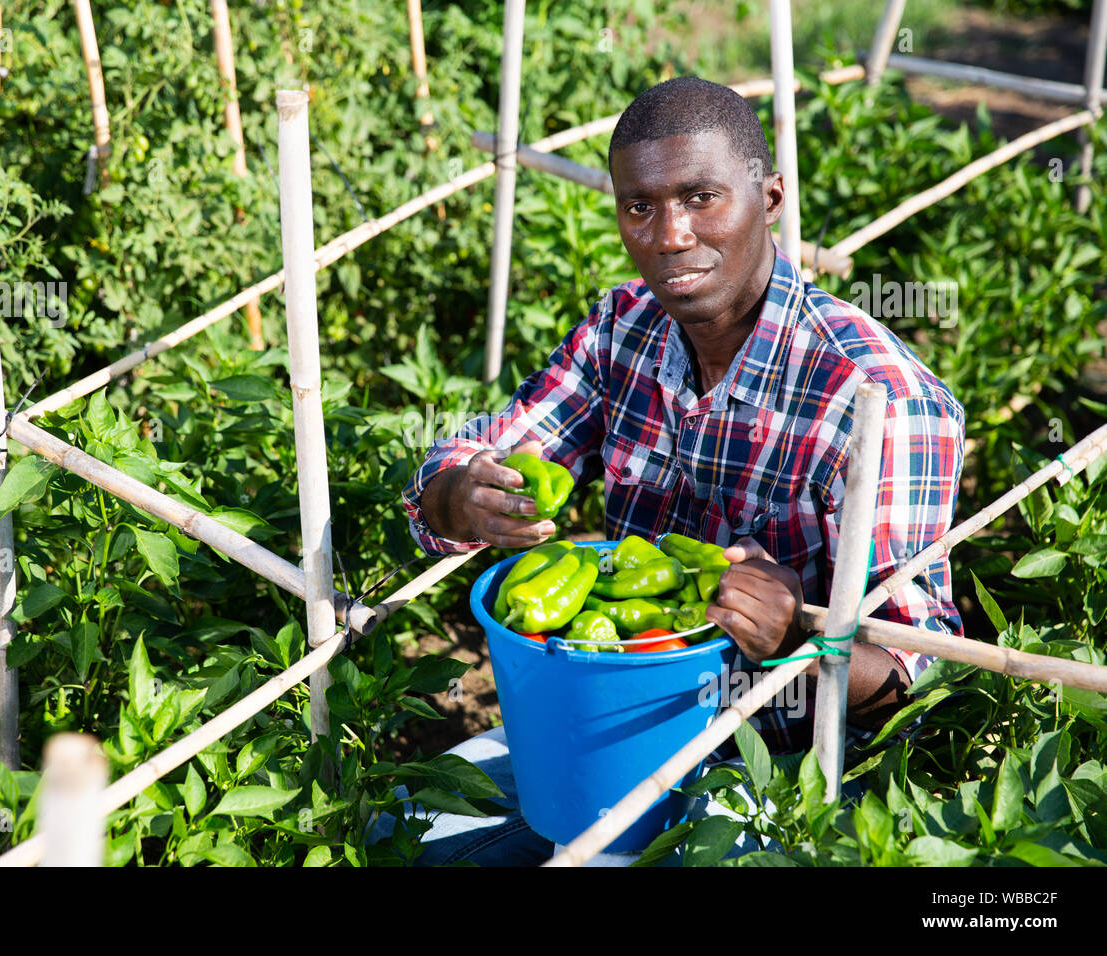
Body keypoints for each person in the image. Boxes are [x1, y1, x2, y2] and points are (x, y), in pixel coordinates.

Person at [383, 76, 966, 866]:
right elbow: (475, 453)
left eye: (700, 198)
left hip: (785, 759)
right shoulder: (620, 330)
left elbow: (919, 678)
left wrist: (799, 636)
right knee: (400, 828)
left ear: (769, 198)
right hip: (613, 710)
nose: (668, 236)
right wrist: (460, 496)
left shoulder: (878, 400)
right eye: (640, 207)